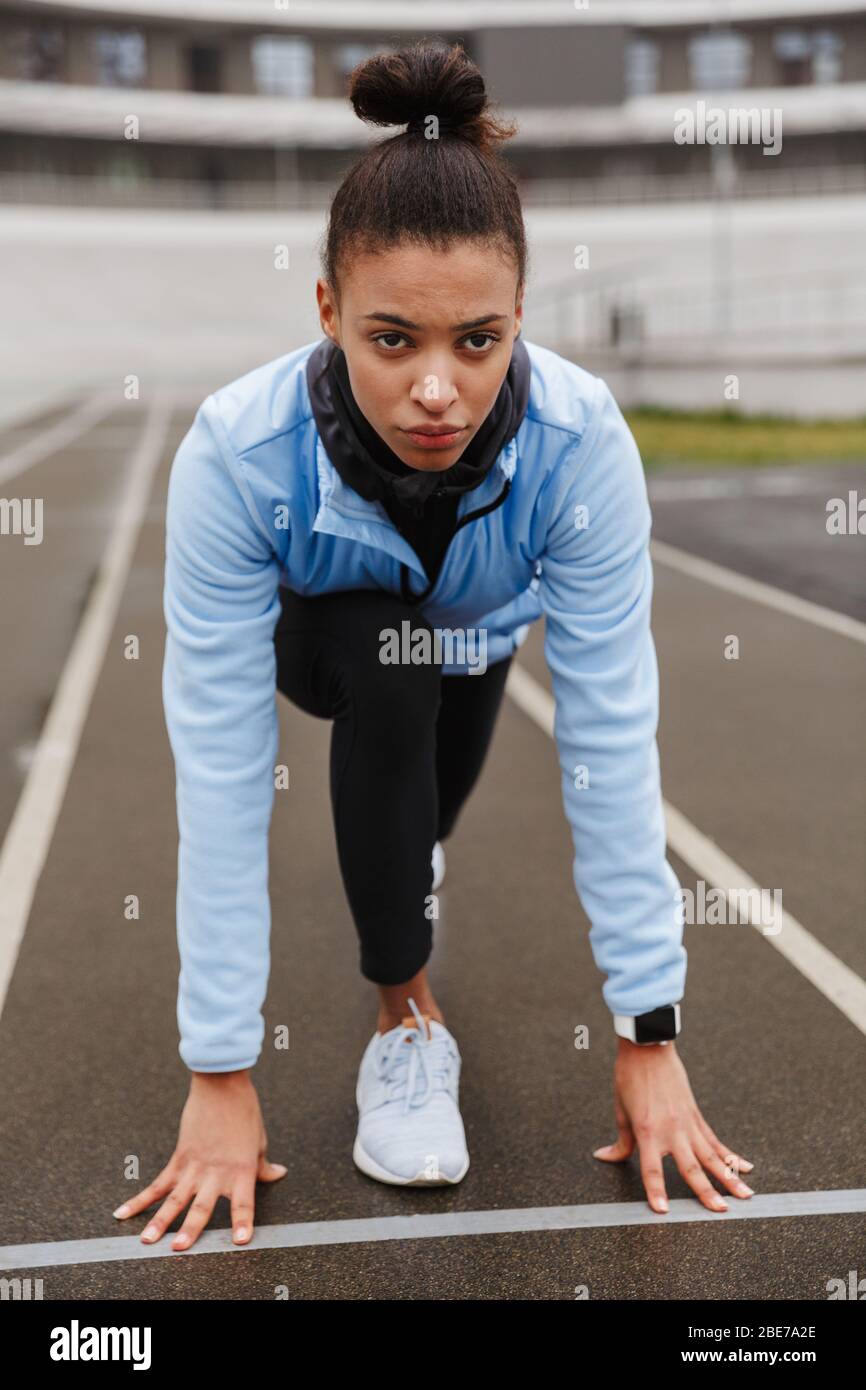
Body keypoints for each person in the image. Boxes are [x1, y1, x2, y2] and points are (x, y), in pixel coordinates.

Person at [112, 40, 754, 1253]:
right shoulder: (238, 456)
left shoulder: (579, 448)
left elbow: (611, 739)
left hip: (474, 647)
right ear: (326, 314)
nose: (436, 392)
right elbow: (222, 771)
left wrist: (647, 1032)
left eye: (478, 341)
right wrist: (219, 1066)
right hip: (332, 639)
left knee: (418, 811)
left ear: (520, 321)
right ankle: (405, 1019)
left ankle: (404, 865)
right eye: (391, 338)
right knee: (387, 656)